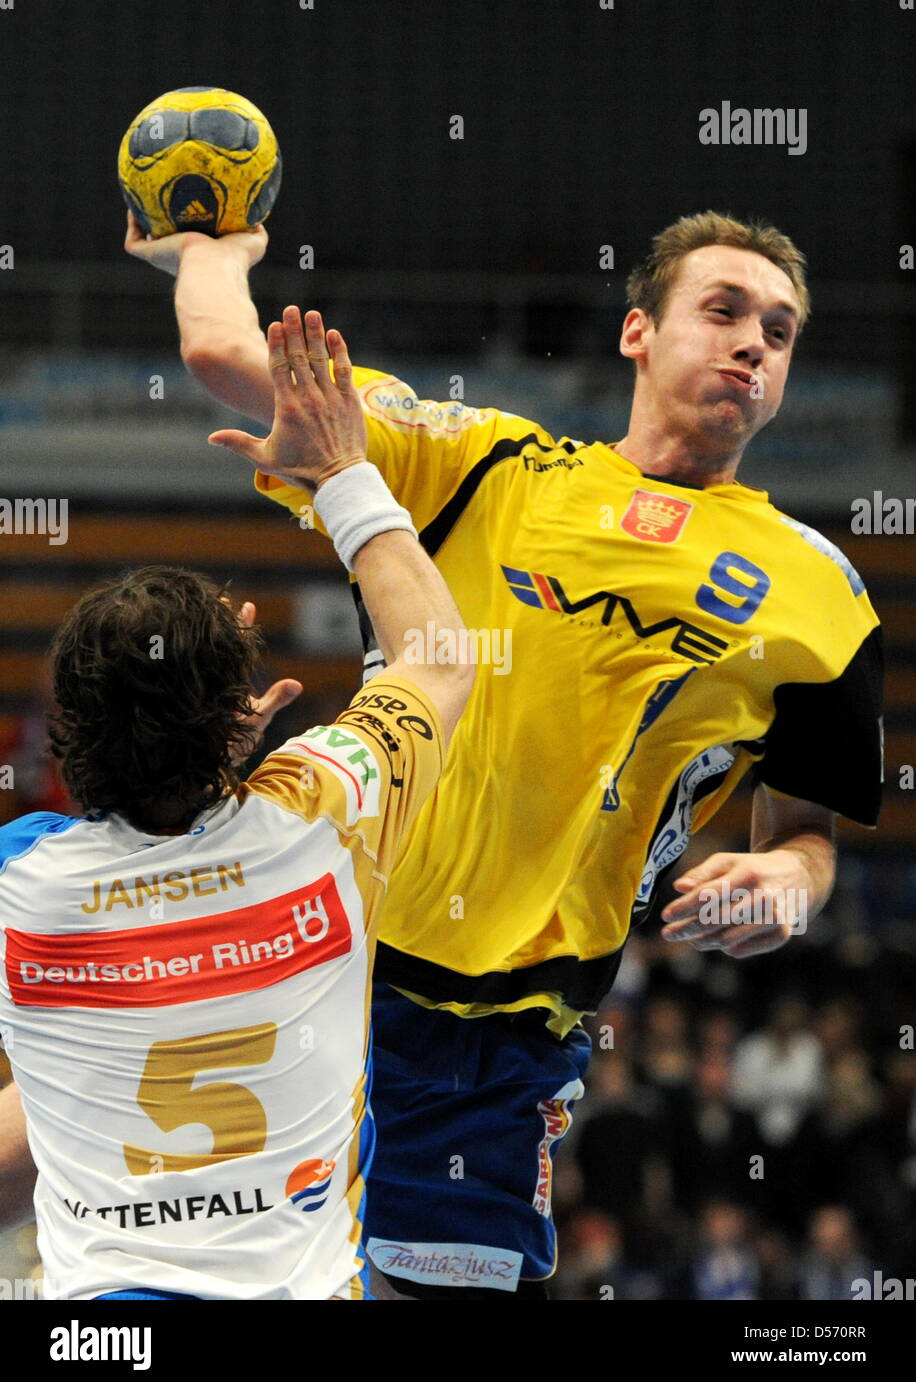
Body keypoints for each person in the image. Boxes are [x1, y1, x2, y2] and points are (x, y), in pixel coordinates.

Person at [1, 209, 884, 1299]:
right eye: (724, 310)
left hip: (508, 1042)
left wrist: (785, 884)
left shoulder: (821, 596)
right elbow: (231, 359)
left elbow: (805, 835)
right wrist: (208, 258)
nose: (754, 343)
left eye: (781, 331)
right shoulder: (488, 460)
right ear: (636, 333)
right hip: (327, 969)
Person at [0, 308, 473, 1300]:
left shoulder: (21, 882)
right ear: (235, 729)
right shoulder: (321, 815)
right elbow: (439, 658)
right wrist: (342, 470)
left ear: (67, 740)